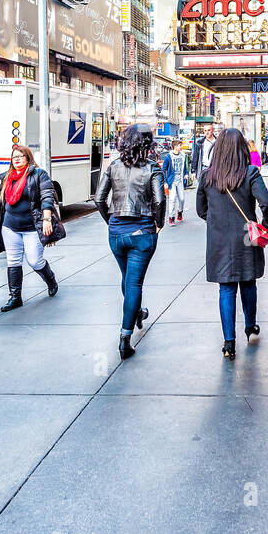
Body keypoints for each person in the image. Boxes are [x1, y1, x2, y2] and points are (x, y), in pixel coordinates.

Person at [196, 128, 268, 360]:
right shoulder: (250, 173)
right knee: (248, 283)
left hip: (219, 240)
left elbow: (201, 210)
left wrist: (217, 221)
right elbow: (267, 202)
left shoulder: (207, 176)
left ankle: (229, 342)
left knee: (226, 288)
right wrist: (265, 225)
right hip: (246, 237)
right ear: (242, 148)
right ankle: (250, 327)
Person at [96, 125, 166, 360]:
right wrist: (159, 223)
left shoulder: (113, 166)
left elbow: (99, 199)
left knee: (127, 279)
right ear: (147, 144)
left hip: (116, 230)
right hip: (142, 230)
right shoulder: (152, 168)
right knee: (134, 283)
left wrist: (111, 221)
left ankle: (135, 312)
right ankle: (125, 338)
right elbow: (159, 201)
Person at [0, 144, 59, 312]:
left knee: (35, 260)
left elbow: (47, 196)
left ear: (28, 158)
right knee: (13, 261)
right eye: (14, 157)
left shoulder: (38, 174)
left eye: (20, 156)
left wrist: (47, 218)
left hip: (31, 227)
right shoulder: (7, 177)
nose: (17, 160)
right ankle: (15, 297)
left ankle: (50, 280)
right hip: (10, 226)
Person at [161, 137, 189, 225]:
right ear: (175, 146)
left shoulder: (183, 155)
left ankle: (180, 212)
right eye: (180, 145)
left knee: (182, 199)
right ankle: (171, 218)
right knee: (172, 199)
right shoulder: (169, 157)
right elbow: (163, 169)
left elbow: (185, 166)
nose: (181, 147)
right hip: (171, 181)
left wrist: (186, 173)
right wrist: (165, 182)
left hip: (180, 180)